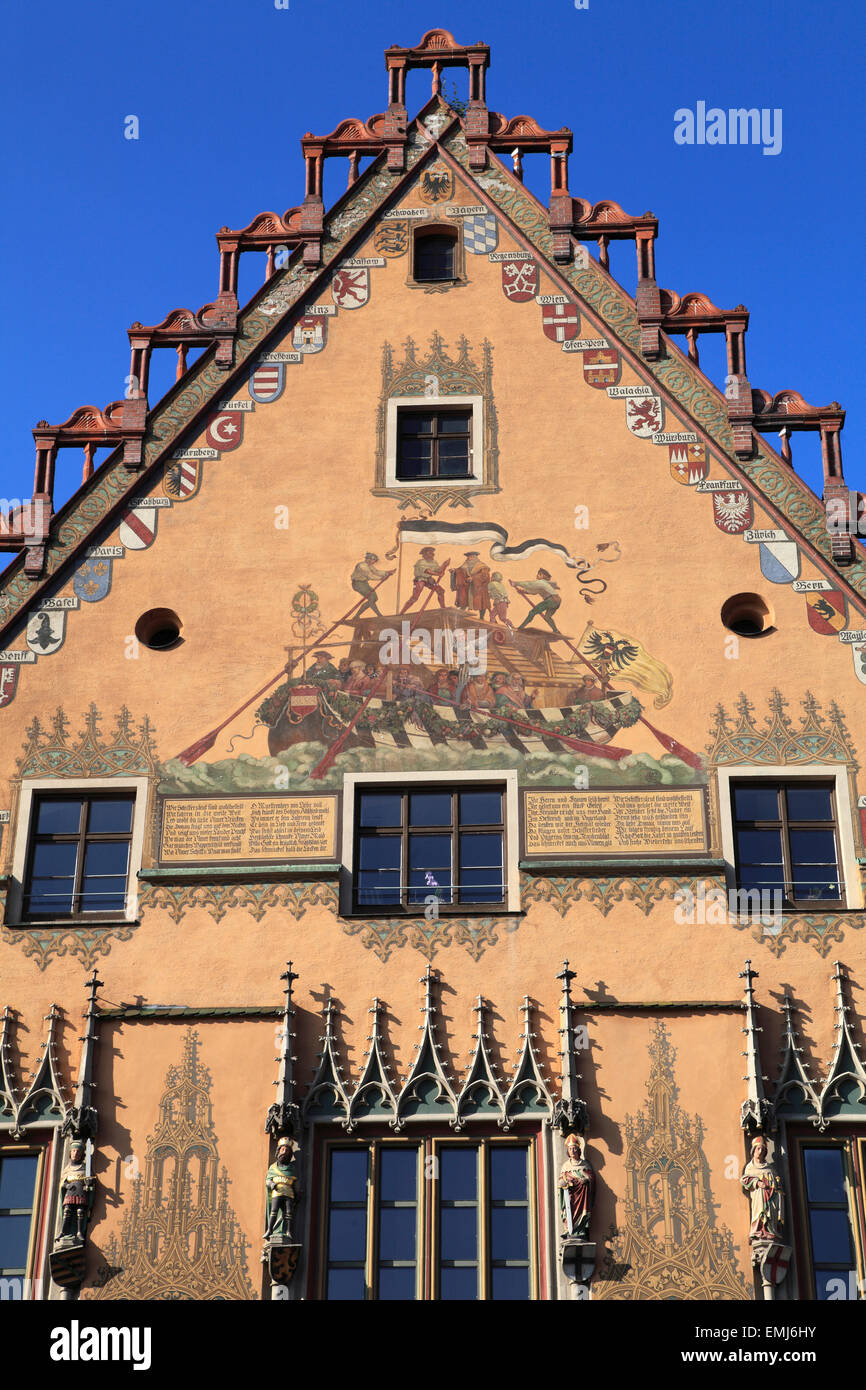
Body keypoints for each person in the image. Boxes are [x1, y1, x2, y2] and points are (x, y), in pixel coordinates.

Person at [741, 1136, 784, 1241]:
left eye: (762, 1149)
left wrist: (774, 1186)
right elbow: (744, 1180)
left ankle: (770, 1230)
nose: (760, 1152)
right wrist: (757, 1182)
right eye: (758, 1149)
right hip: (759, 1196)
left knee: (770, 1214)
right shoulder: (750, 1167)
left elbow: (776, 1182)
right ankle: (758, 1230)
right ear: (753, 1151)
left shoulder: (770, 1168)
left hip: (771, 1197)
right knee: (759, 1211)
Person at [558, 1133, 595, 1239]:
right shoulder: (566, 1166)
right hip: (570, 1194)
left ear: (578, 1150)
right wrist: (562, 1183)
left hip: (582, 1196)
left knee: (582, 1212)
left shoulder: (585, 1164)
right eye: (570, 1149)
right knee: (568, 1210)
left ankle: (580, 1229)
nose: (572, 1151)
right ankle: (568, 1229)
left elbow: (591, 1177)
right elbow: (561, 1179)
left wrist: (586, 1179)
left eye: (574, 1149)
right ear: (568, 1152)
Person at [59, 1142, 94, 1244]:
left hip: (80, 1191)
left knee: (80, 1211)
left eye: (78, 1152)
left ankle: (79, 1231)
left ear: (82, 1154)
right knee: (67, 1210)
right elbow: (62, 1182)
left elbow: (90, 1181)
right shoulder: (68, 1168)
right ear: (70, 1153)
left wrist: (89, 1184)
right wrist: (66, 1185)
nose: (75, 1153)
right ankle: (64, 1231)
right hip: (70, 1191)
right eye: (74, 1151)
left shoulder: (85, 1167)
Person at [264, 1137, 298, 1241]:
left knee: (288, 1212)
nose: (285, 1152)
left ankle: (288, 1231)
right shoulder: (273, 1167)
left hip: (289, 1193)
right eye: (283, 1149)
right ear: (278, 1151)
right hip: (277, 1191)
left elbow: (295, 1182)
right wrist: (272, 1184)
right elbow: (268, 1180)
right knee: (274, 1211)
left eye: (287, 1150)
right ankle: (269, 1230)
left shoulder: (292, 1169)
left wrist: (297, 1192)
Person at [350, 553, 393, 617]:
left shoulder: (369, 565)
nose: (374, 562)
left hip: (364, 583)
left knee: (374, 598)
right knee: (371, 598)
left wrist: (386, 572)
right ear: (369, 559)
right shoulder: (362, 566)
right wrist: (381, 578)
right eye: (374, 560)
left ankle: (356, 616)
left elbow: (376, 572)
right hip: (358, 584)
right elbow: (370, 576)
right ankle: (379, 615)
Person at [452, 551, 491, 618]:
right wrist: (454, 571)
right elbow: (460, 570)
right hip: (468, 587)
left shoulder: (482, 566)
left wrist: (473, 578)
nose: (469, 558)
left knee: (481, 603)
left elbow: (485, 575)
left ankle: (482, 617)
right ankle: (461, 616)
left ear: (475, 557)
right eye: (468, 557)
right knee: (464, 600)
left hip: (479, 587)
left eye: (471, 556)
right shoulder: (465, 564)